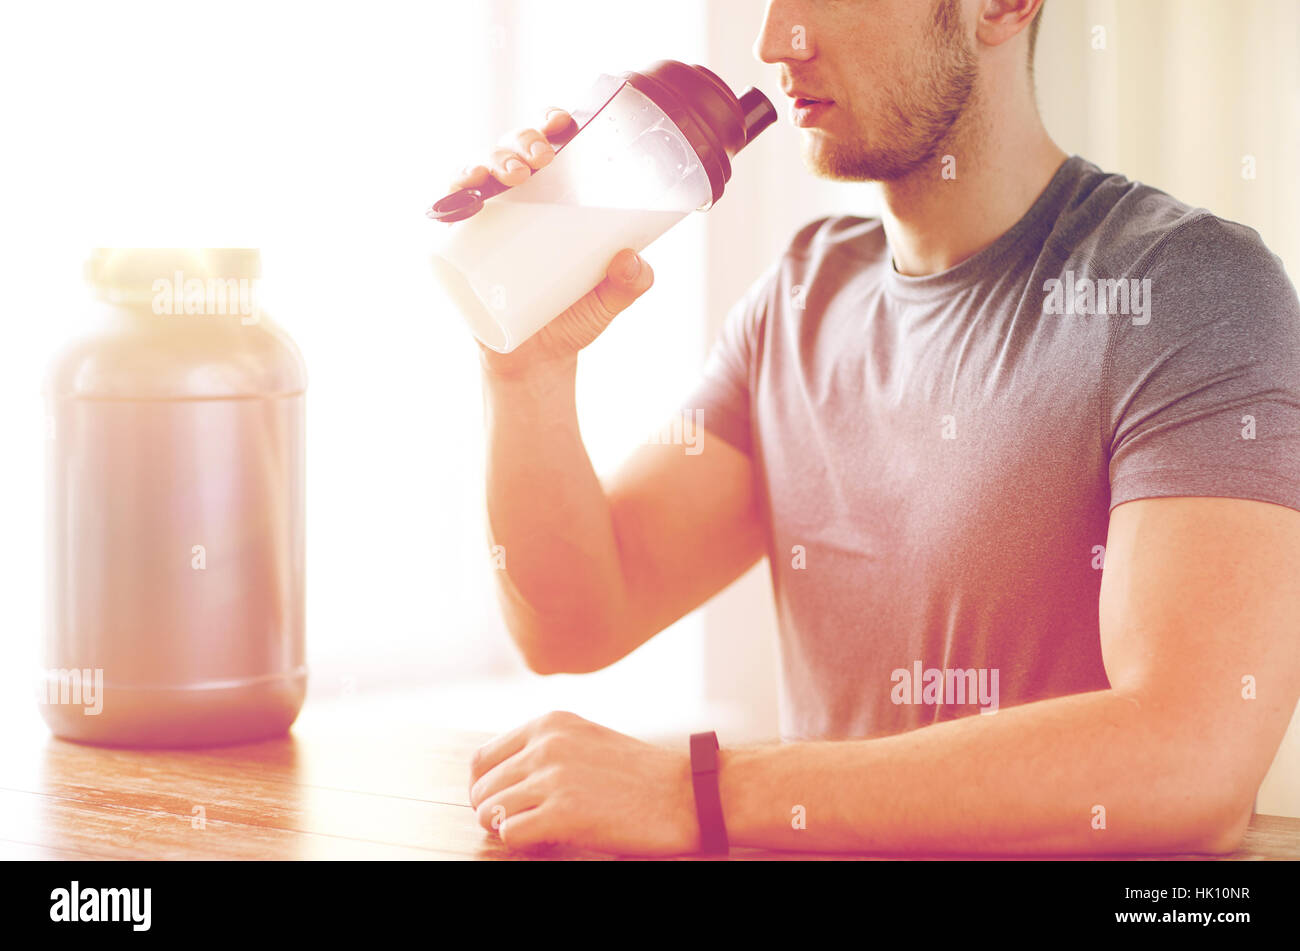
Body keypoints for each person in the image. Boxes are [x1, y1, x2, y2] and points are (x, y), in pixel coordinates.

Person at [460, 0, 1300, 856]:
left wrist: (698, 792)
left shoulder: (1192, 290)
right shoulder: (800, 300)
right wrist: (523, 368)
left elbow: (1192, 758)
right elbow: (573, 620)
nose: (775, 40)